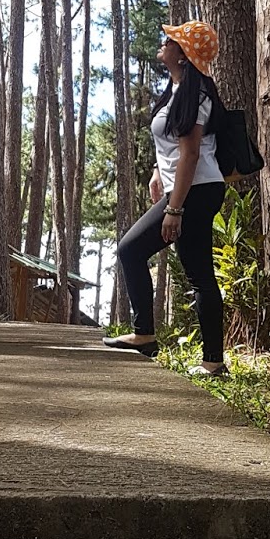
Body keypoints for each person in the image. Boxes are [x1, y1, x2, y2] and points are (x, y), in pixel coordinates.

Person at [104, 20, 229, 378]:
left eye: (171, 40)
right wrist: (159, 172)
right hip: (185, 188)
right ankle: (147, 335)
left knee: (192, 271)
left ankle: (211, 361)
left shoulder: (198, 95)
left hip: (197, 190)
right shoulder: (175, 91)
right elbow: (174, 147)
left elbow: (191, 155)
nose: (164, 42)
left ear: (184, 55)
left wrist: (175, 208)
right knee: (139, 253)